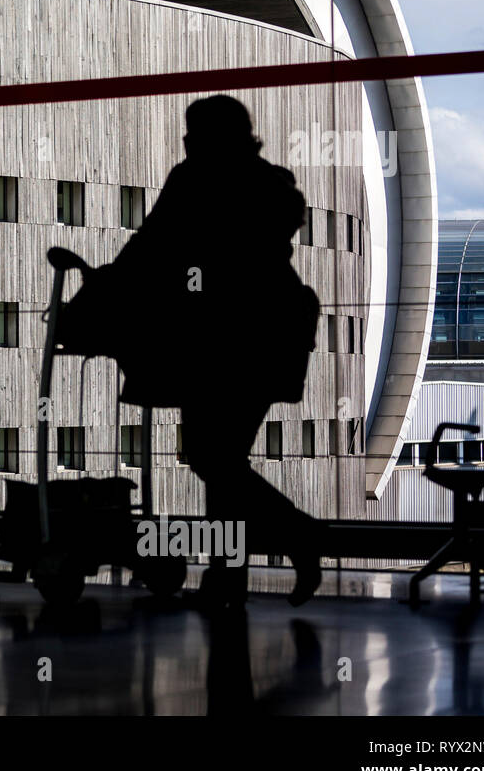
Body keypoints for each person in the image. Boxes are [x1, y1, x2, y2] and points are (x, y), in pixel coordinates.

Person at [60, 95, 324, 608]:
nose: (185, 141)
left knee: (212, 456)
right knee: (223, 459)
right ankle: (230, 578)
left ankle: (296, 535)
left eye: (192, 132)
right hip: (271, 333)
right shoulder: (269, 184)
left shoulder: (198, 178)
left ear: (206, 137)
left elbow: (150, 250)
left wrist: (97, 292)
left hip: (221, 342)